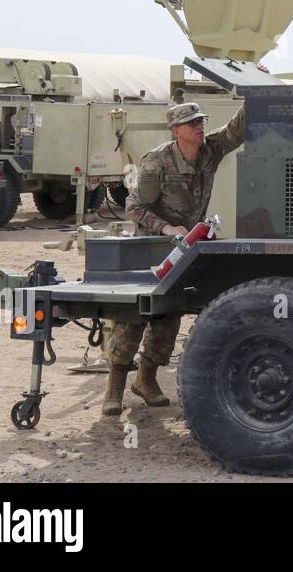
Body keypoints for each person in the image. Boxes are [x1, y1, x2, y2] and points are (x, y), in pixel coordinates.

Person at [103, 101, 245, 416]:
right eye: (192, 123)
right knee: (133, 317)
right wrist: (167, 227)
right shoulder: (156, 162)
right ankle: (113, 389)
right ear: (176, 130)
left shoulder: (211, 150)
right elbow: (135, 208)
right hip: (152, 246)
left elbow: (238, 130)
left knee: (169, 314)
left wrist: (253, 92)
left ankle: (146, 381)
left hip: (184, 248)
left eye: (201, 121)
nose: (199, 127)